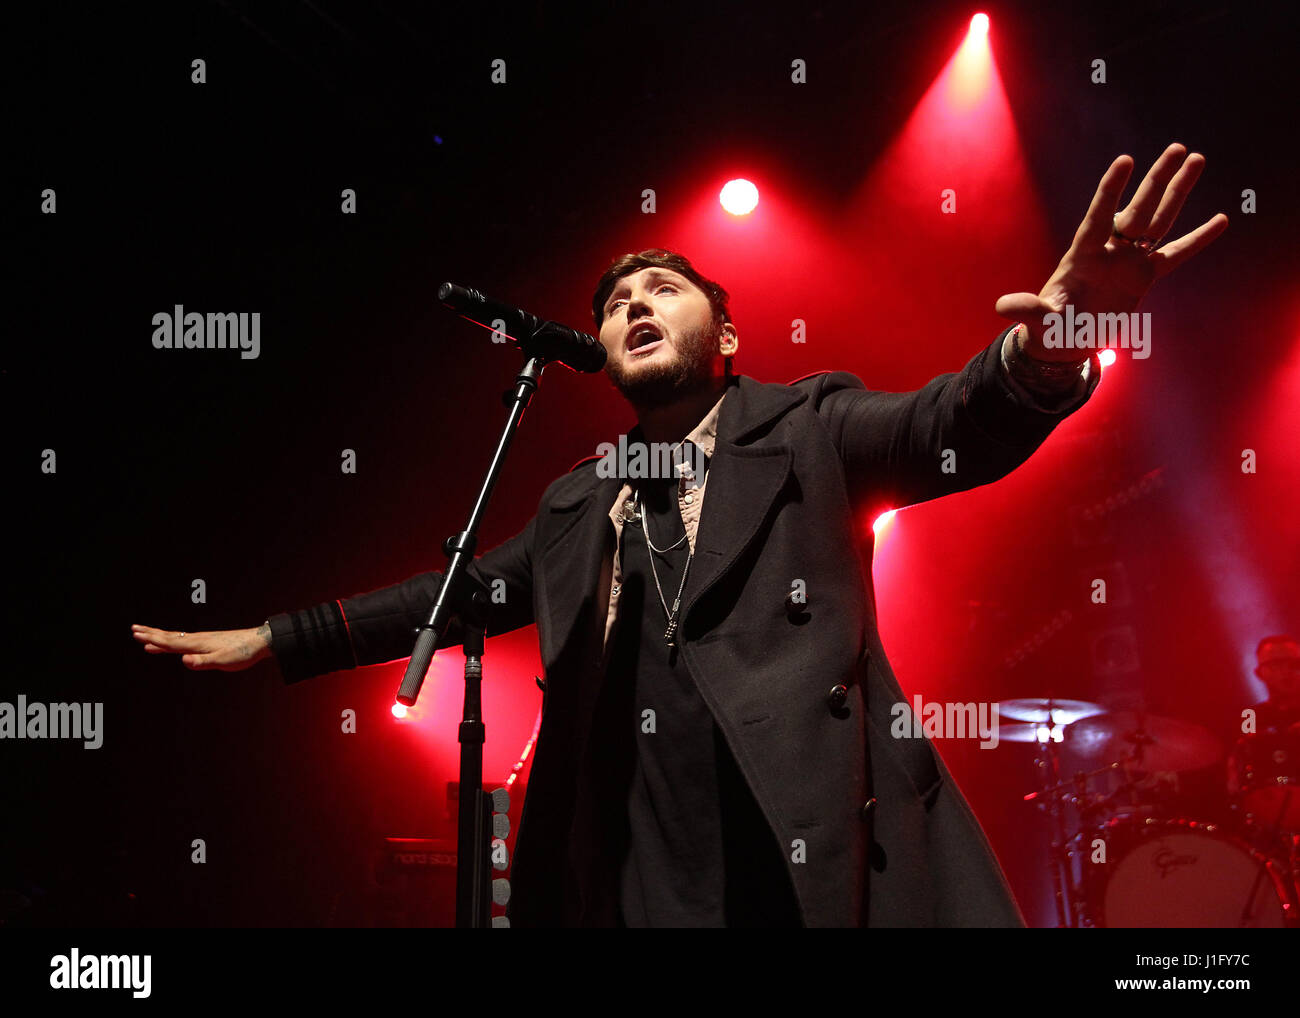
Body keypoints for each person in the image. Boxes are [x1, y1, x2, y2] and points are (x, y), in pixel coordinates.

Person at [133, 143, 1227, 926]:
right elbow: (451, 597)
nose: (634, 306)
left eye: (662, 288)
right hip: (633, 857)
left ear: (729, 332)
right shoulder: (580, 500)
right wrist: (282, 637)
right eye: (615, 303)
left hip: (795, 838)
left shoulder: (808, 425)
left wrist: (1057, 341)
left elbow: (951, 422)